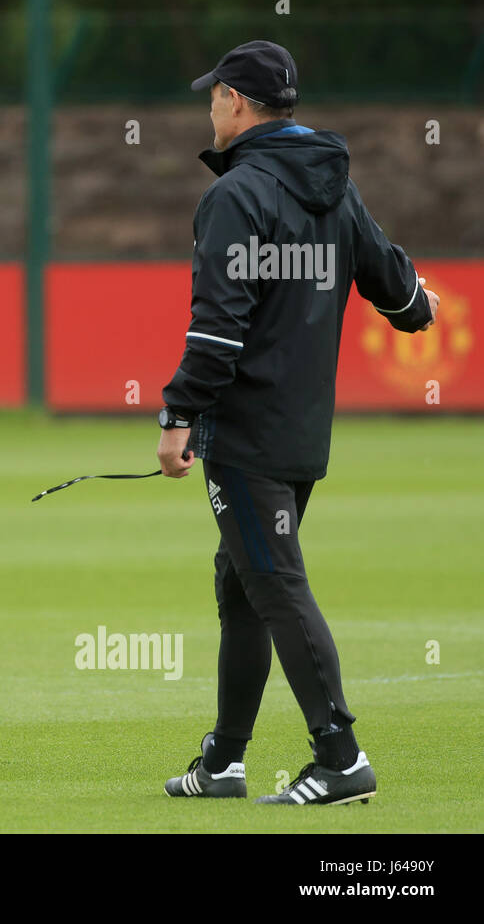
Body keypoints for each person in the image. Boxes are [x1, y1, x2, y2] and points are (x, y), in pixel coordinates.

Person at [155, 41, 439, 804]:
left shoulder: (234, 197)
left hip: (245, 432)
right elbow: (400, 293)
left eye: (214, 96)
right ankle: (224, 764)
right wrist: (419, 303)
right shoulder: (336, 189)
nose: (209, 106)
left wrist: (178, 414)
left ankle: (341, 759)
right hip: (304, 429)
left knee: (274, 584)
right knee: (244, 583)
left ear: (238, 104)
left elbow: (216, 333)